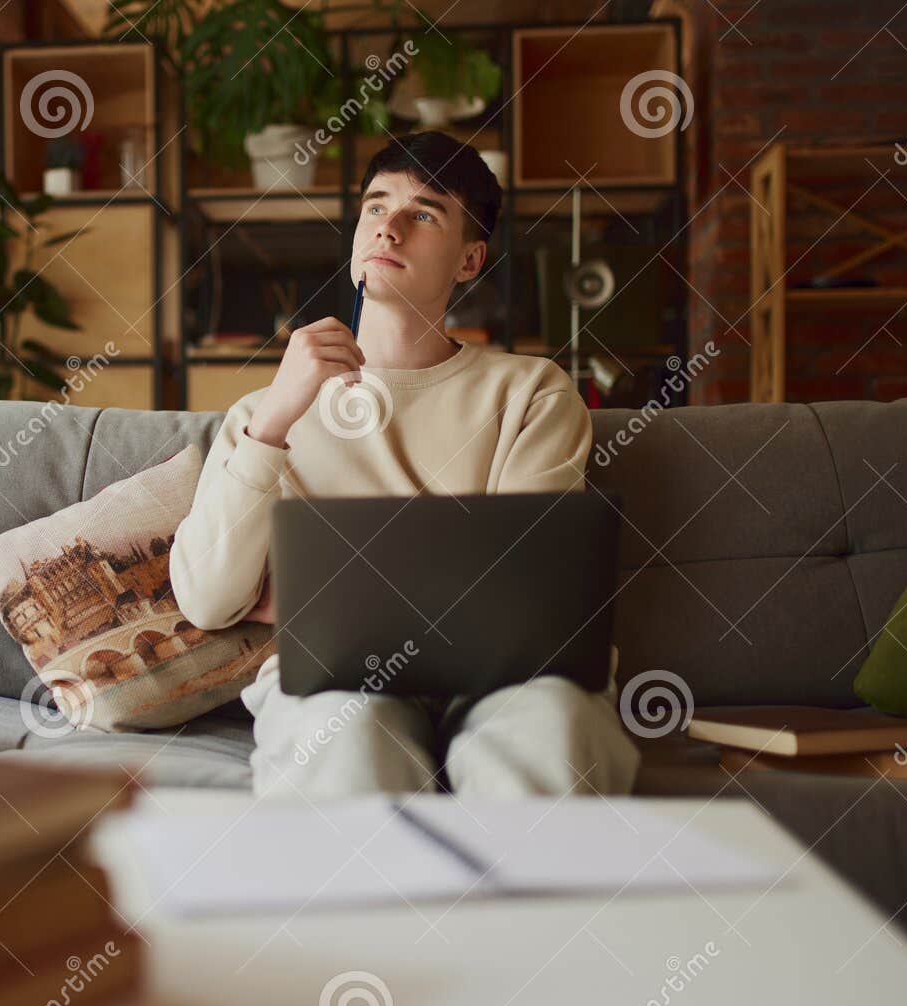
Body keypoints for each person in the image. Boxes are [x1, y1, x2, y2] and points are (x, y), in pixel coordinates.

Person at [169, 131, 640, 800]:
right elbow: (209, 599)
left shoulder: (530, 393)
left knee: (551, 727)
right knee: (343, 735)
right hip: (336, 681)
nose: (388, 227)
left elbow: (530, 595)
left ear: (470, 258)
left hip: (505, 678)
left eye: (423, 213)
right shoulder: (264, 409)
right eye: (375, 206)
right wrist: (273, 424)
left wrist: (320, 596)